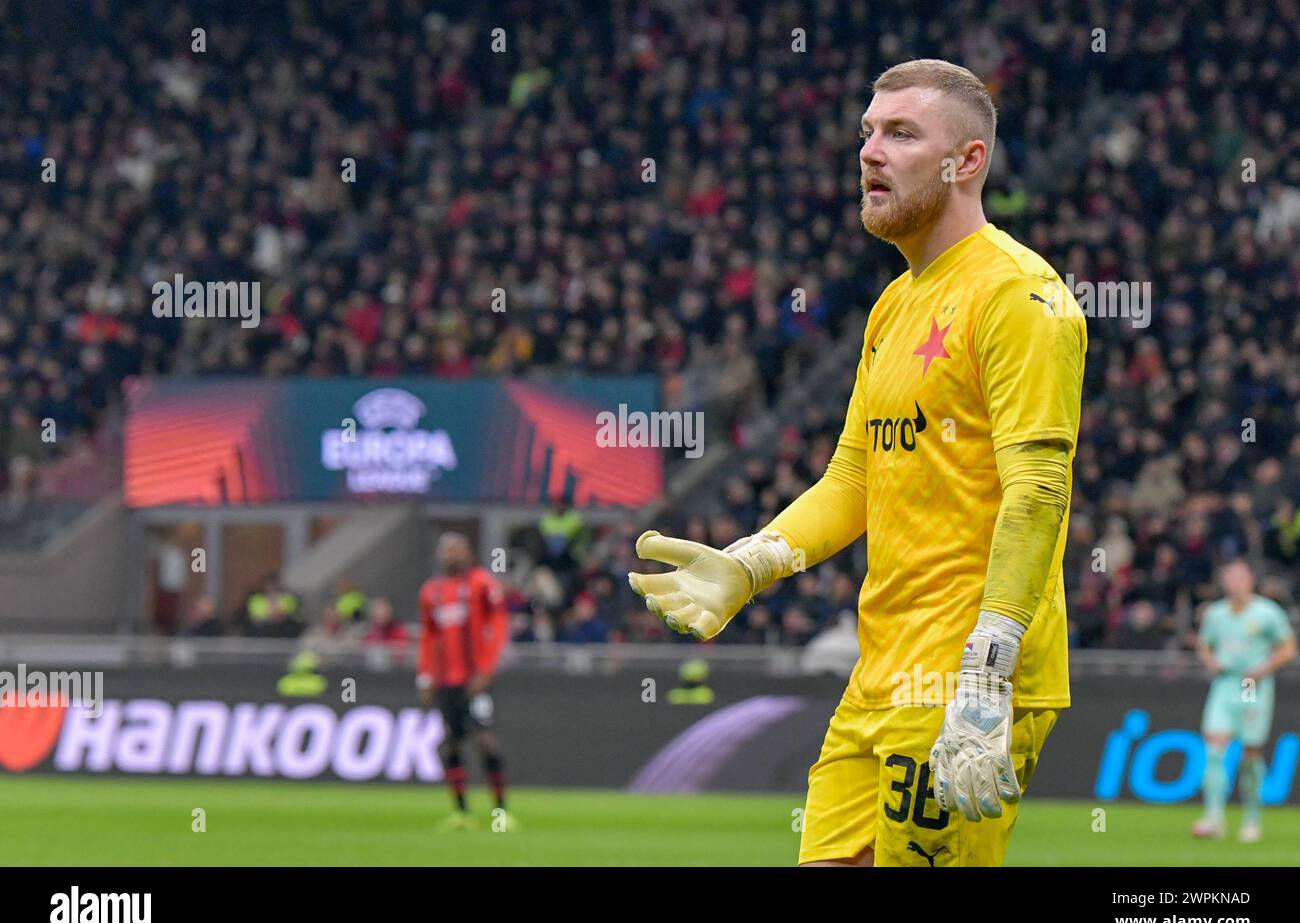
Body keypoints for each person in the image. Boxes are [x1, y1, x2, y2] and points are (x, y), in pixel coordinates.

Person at [628, 60, 1087, 866]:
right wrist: (751, 563)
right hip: (880, 672)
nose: (870, 151)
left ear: (967, 162)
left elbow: (1040, 489)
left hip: (965, 675)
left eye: (901, 134)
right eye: (867, 132)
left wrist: (987, 672)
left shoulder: (1020, 297)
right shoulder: (893, 305)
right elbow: (854, 480)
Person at [1191, 559, 1296, 842]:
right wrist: (1211, 662)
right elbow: (1203, 646)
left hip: (1253, 685)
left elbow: (1288, 648)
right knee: (1214, 749)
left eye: (1239, 577)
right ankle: (1214, 818)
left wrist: (1263, 669)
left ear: (1251, 580)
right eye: (1229, 578)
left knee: (1250, 756)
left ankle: (1252, 819)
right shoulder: (1215, 614)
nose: (1234, 583)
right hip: (1225, 684)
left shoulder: (1266, 613)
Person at [418, 532, 517, 831]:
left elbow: (499, 625)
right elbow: (429, 637)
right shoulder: (431, 592)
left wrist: (486, 670)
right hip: (447, 681)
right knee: (449, 745)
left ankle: (501, 813)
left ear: (468, 552)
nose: (451, 555)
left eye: (457, 549)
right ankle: (461, 812)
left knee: (486, 742)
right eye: (446, 550)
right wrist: (426, 676)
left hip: (475, 680)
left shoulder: (482, 584)